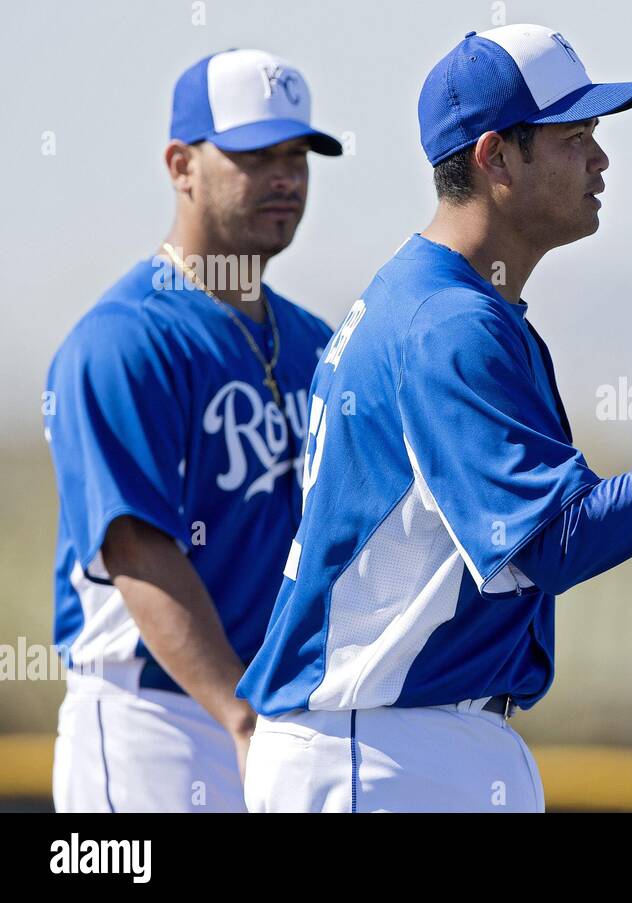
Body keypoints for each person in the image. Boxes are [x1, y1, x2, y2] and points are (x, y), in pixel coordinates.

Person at [236, 23, 632, 813]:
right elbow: (558, 542)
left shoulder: (444, 305)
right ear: (495, 156)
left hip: (405, 737)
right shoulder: (449, 323)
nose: (602, 158)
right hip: (378, 745)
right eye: (575, 136)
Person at [43, 49, 342, 812]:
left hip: (274, 720)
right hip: (153, 717)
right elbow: (139, 549)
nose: (286, 176)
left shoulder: (316, 343)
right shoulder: (124, 339)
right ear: (181, 165)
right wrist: (238, 716)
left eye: (297, 153)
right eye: (256, 154)